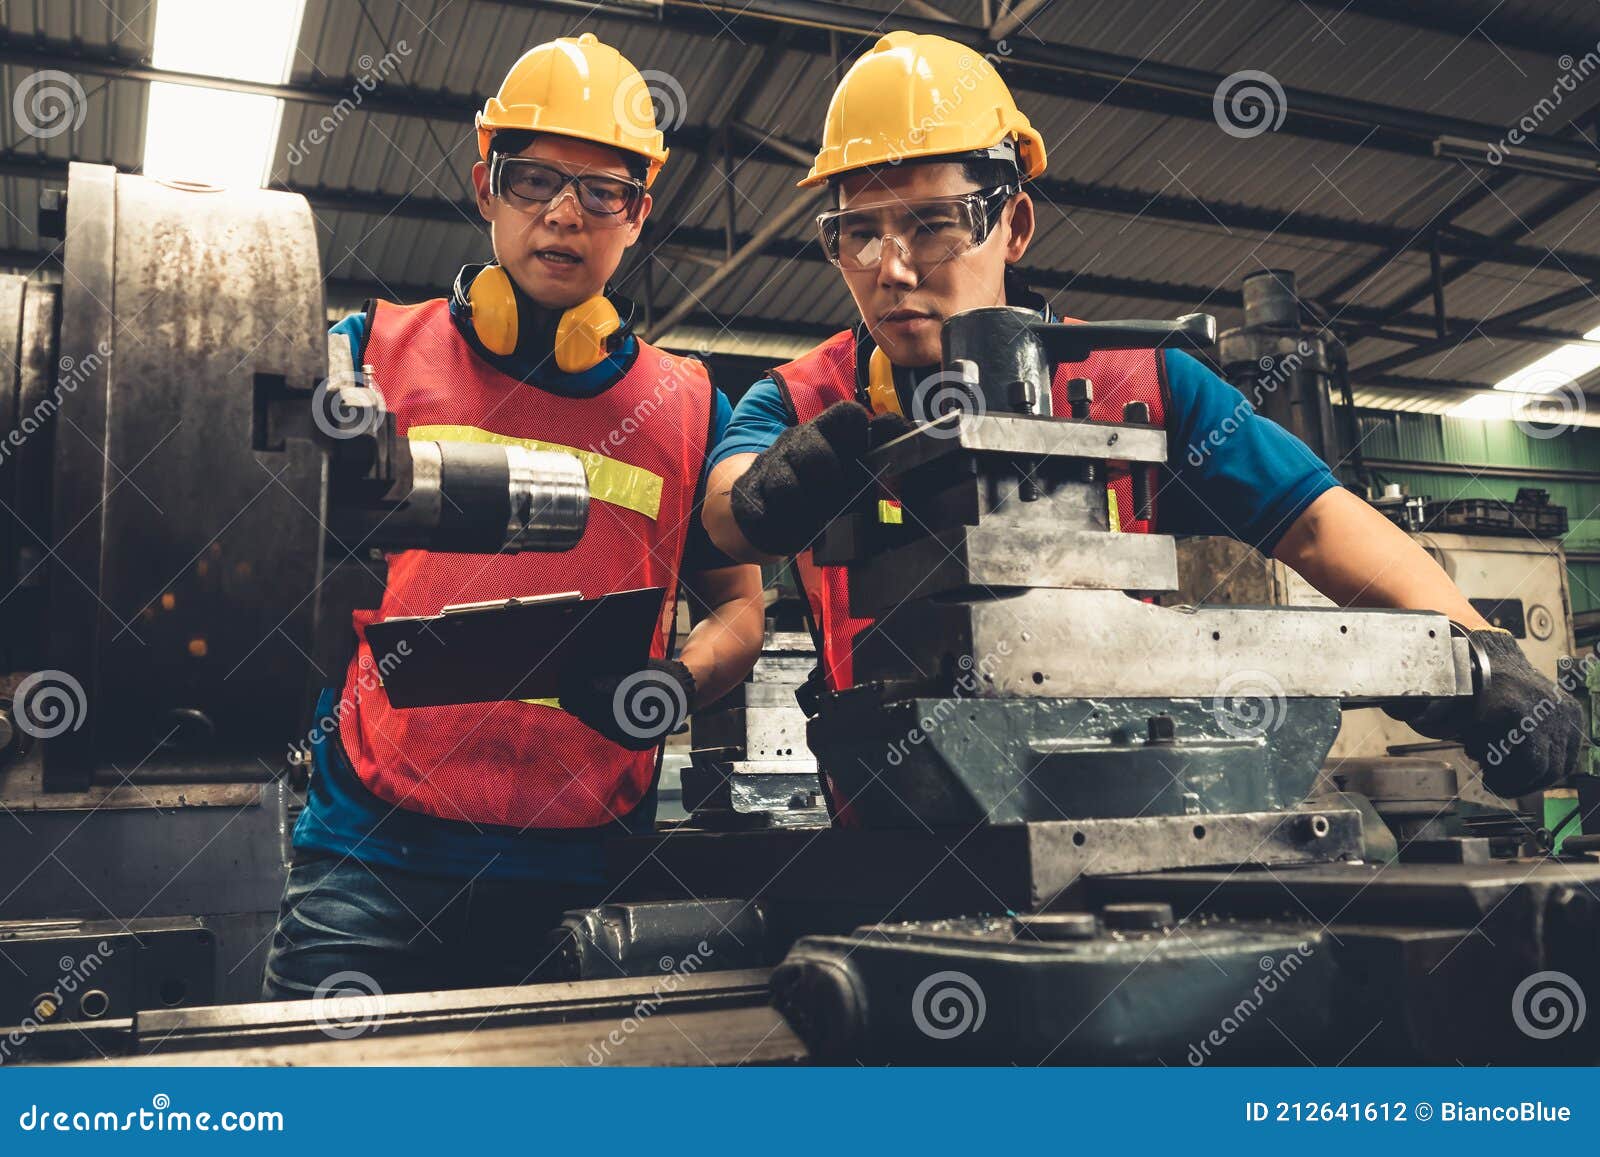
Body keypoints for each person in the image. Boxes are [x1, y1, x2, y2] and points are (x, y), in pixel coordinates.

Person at [702, 30, 1581, 800]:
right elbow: (728, 506)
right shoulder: (802, 399)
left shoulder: (1144, 384)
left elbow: (1316, 523)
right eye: (860, 232)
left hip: (1126, 821)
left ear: (1014, 224)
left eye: (933, 225)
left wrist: (1482, 645)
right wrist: (763, 498)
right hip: (883, 831)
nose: (890, 268)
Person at [263, 33, 764, 1000]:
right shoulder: (370, 353)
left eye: (602, 192)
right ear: (486, 184)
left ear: (639, 214)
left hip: (582, 878)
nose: (564, 215)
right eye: (534, 179)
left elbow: (741, 612)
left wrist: (670, 683)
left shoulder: (690, 406)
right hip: (373, 859)